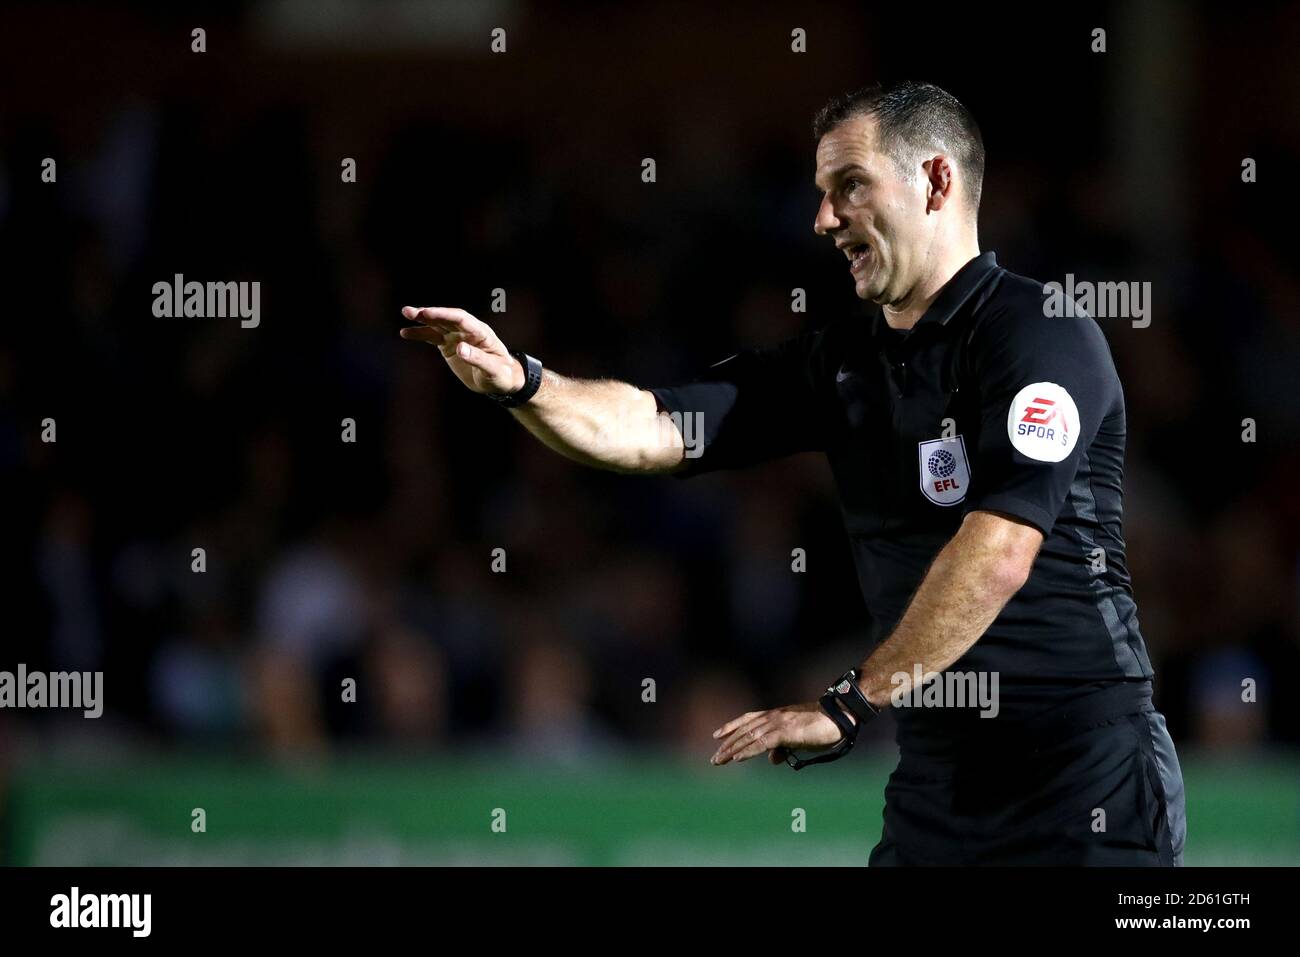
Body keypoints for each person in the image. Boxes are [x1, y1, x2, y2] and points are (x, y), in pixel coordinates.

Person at [399, 81, 1186, 866]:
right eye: (819, 193)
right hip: (937, 788)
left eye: (850, 185)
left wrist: (850, 702)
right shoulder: (837, 366)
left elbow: (1000, 552)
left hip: (1086, 778)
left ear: (937, 181)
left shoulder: (1040, 334)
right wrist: (527, 384)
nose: (823, 219)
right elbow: (654, 425)